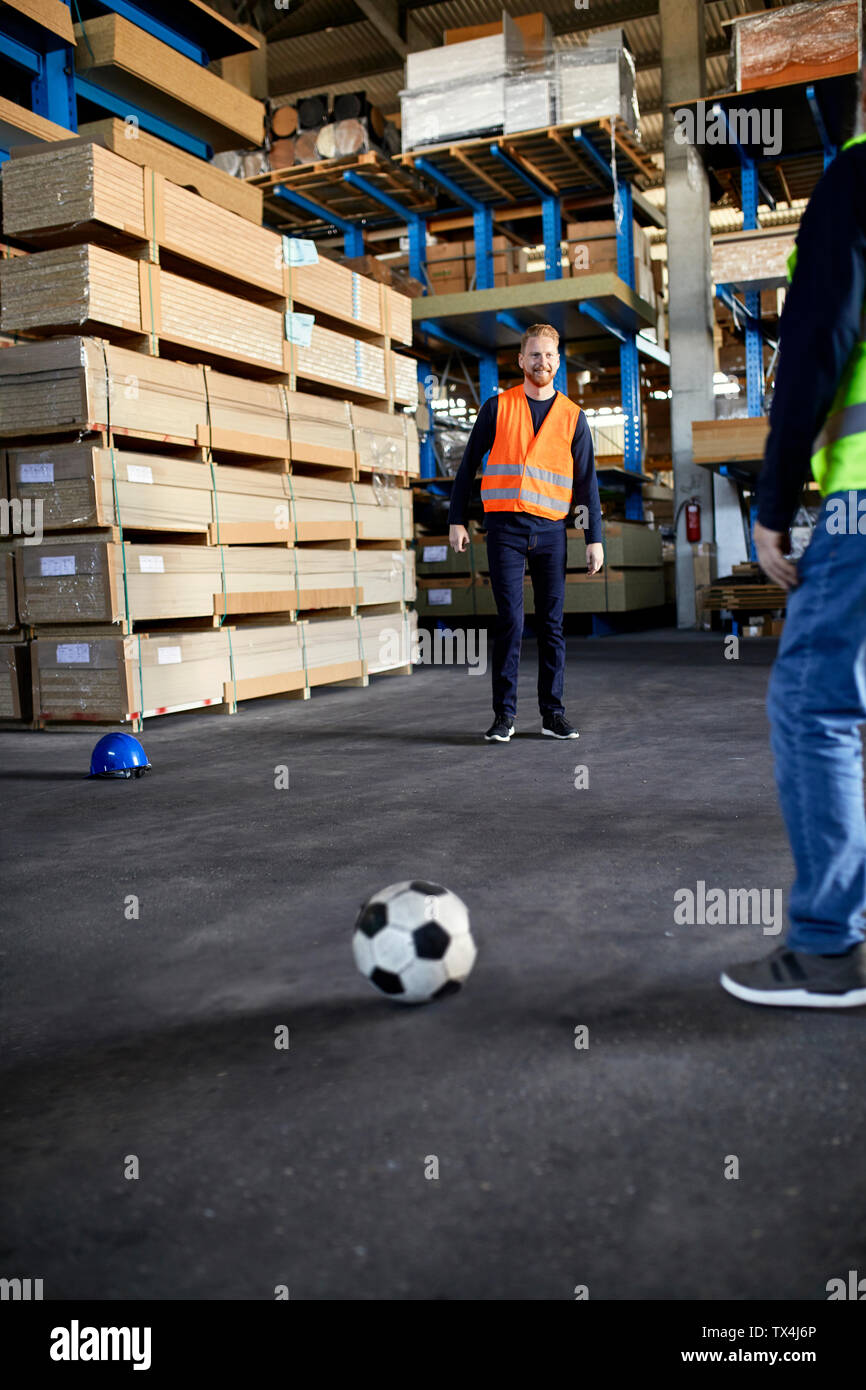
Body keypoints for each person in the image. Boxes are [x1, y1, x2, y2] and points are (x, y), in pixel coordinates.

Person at [720, 128, 866, 1008]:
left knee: (817, 702)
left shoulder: (859, 171)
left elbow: (818, 334)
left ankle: (824, 950)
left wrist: (774, 504)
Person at [448, 324, 604, 742]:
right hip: (505, 530)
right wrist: (456, 519)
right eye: (535, 355)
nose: (543, 362)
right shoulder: (498, 408)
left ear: (558, 360)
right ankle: (505, 717)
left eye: (550, 355)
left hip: (552, 532)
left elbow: (587, 483)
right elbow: (467, 468)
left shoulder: (573, 417)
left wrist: (593, 539)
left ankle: (553, 714)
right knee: (511, 622)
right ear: (521, 360)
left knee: (552, 624)